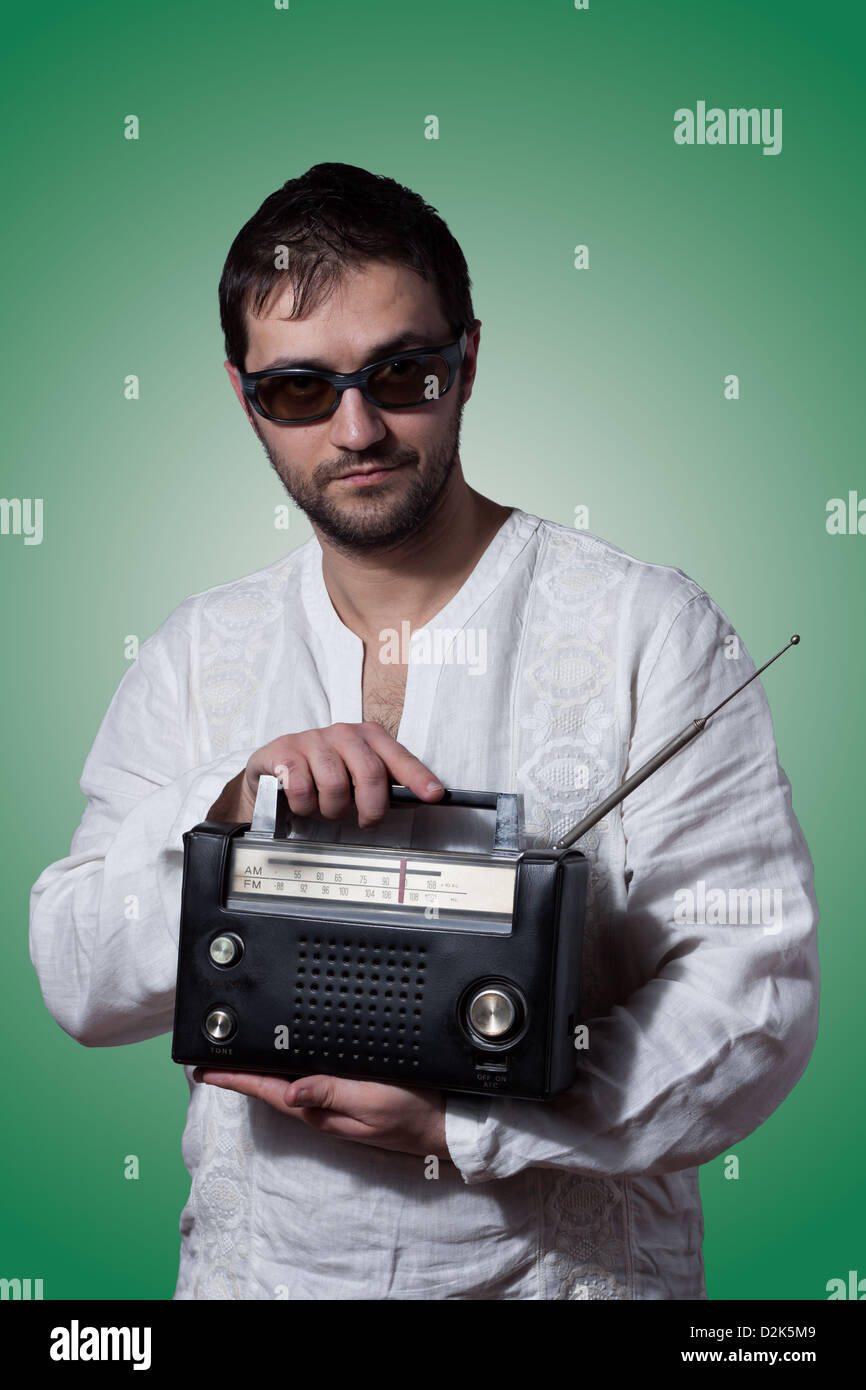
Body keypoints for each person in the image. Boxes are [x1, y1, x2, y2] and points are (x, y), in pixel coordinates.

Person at [29, 162, 820, 1301]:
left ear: (469, 360)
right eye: (299, 390)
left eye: (402, 373)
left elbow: (755, 997)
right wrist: (223, 804)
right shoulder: (196, 652)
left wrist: (469, 1123)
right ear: (244, 396)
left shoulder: (647, 630)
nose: (356, 428)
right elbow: (77, 977)